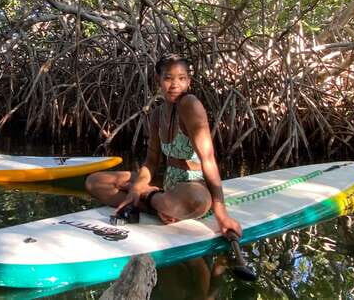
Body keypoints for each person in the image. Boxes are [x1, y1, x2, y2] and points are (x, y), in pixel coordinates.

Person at [85, 54, 242, 238]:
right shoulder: (157, 115)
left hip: (193, 186)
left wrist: (221, 214)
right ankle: (160, 204)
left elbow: (208, 159)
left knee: (197, 202)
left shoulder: (190, 105)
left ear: (188, 81)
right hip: (167, 188)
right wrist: (136, 187)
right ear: (157, 80)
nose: (175, 85)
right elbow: (151, 161)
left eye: (182, 78)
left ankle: (154, 200)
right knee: (94, 182)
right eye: (168, 78)